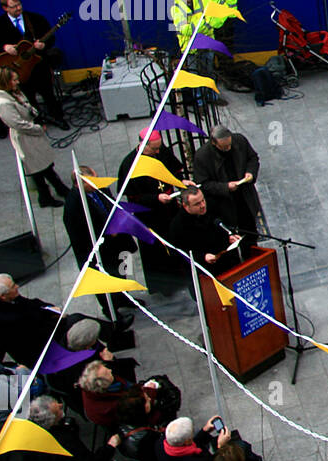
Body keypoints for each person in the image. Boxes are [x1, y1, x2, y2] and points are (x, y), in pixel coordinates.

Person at [62, 167, 137, 327]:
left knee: (121, 272)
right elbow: (80, 234)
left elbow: (111, 204)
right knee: (105, 283)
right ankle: (111, 311)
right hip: (98, 251)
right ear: (79, 184)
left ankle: (123, 297)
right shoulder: (73, 205)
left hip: (117, 244)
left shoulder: (100, 189)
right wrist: (108, 234)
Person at [118, 128, 190, 295]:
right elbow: (133, 196)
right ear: (143, 145)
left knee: (176, 242)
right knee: (157, 252)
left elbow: (174, 171)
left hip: (170, 210)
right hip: (150, 216)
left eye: (159, 147)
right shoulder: (130, 164)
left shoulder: (161, 151)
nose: (158, 152)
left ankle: (183, 276)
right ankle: (165, 287)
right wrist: (156, 198)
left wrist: (181, 182)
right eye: (154, 149)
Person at [0, 66, 69, 207]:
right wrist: (37, 129)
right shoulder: (3, 103)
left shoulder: (12, 92)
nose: (17, 82)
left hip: (31, 134)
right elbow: (18, 124)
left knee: (44, 165)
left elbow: (26, 105)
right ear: (6, 82)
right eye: (14, 80)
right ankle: (48, 195)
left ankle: (55, 191)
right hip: (26, 138)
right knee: (38, 168)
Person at [0, 0, 64, 120]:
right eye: (14, 6)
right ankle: (36, 120)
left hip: (38, 64)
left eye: (19, 5)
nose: (18, 8)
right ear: (5, 8)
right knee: (28, 98)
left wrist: (44, 45)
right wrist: (5, 47)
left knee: (48, 93)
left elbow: (51, 39)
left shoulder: (36, 19)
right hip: (18, 69)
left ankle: (58, 117)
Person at [193, 126, 261, 243]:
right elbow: (203, 184)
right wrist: (226, 187)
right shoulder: (202, 156)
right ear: (214, 143)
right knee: (230, 238)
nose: (228, 148)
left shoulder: (239, 140)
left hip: (245, 198)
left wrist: (250, 172)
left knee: (250, 234)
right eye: (224, 147)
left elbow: (252, 158)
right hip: (223, 205)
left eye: (230, 145)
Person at [168, 187, 240, 273]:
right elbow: (180, 254)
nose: (202, 205)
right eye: (197, 204)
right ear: (185, 206)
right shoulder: (178, 225)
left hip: (227, 261)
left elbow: (222, 227)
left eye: (203, 200)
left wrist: (229, 237)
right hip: (203, 271)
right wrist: (203, 257)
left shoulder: (211, 207)